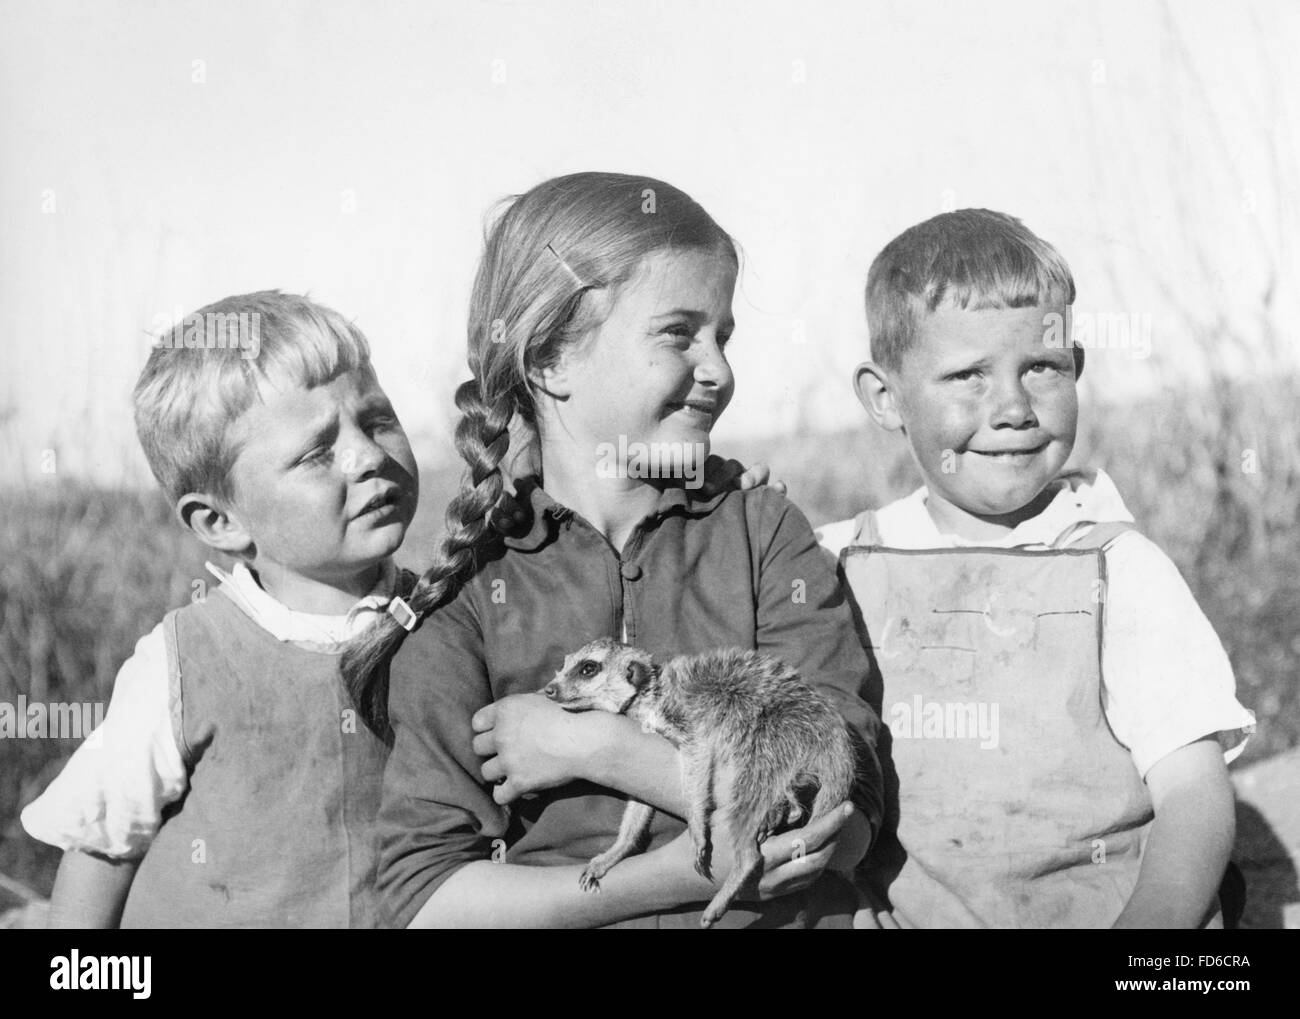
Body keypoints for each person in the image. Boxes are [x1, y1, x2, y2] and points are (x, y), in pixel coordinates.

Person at [351, 172, 886, 928]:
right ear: (550, 361)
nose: (720, 370)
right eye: (678, 333)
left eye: (723, 335)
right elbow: (425, 901)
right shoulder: (469, 596)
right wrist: (667, 877)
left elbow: (843, 816)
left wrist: (599, 747)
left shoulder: (764, 533)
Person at [818, 209, 1256, 928]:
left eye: (1041, 368)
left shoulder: (1117, 565)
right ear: (885, 397)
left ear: (1076, 369)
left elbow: (1194, 794)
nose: (1015, 408)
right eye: (968, 376)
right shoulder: (842, 561)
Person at [22, 291, 420, 927]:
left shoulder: (449, 623)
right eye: (317, 452)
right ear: (220, 520)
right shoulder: (183, 665)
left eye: (376, 420)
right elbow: (102, 849)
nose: (368, 456)